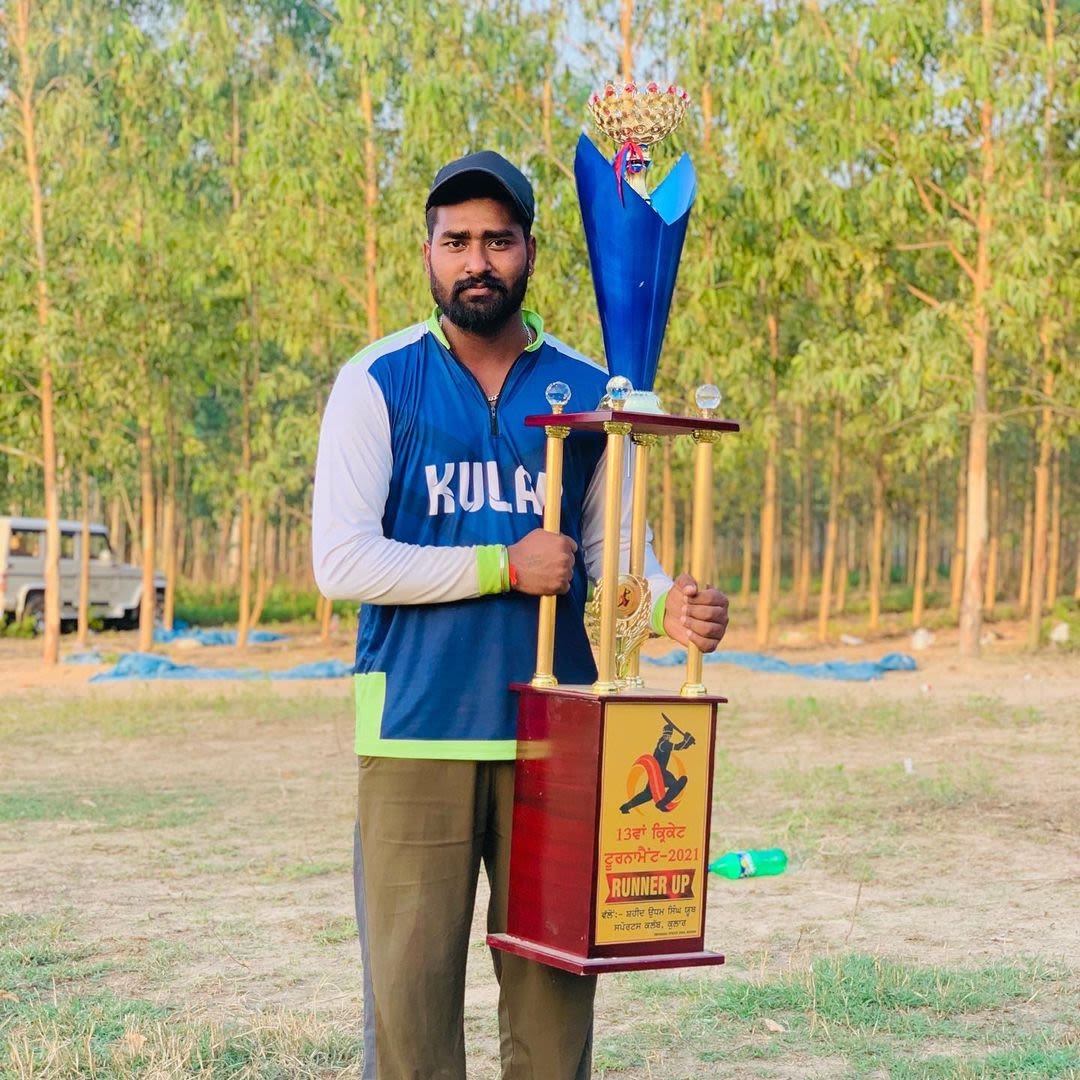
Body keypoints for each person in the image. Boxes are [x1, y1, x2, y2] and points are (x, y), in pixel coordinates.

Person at [312, 150, 729, 1080]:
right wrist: (503, 564)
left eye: (497, 240)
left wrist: (669, 610)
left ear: (530, 252)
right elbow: (340, 561)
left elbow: (614, 554)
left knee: (553, 1014)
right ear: (427, 252)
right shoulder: (378, 381)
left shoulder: (590, 389)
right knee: (412, 1013)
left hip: (559, 738)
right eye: (456, 240)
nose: (476, 260)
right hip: (420, 730)